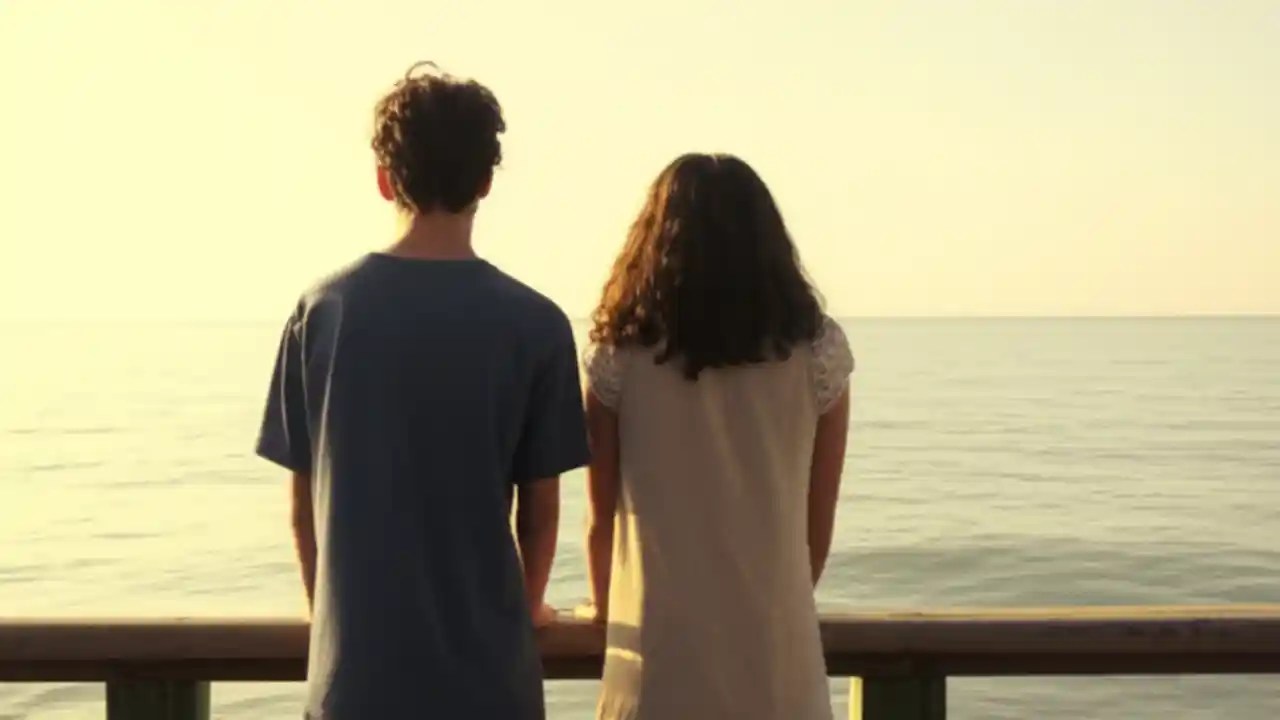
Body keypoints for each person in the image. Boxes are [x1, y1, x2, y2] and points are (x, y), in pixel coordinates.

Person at [254, 63, 589, 720]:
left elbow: (304, 505)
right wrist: (525, 609)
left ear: (385, 180)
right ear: (486, 182)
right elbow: (541, 511)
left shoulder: (322, 311)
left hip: (356, 684)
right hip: (492, 686)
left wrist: (327, 622)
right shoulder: (537, 324)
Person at [581, 153, 854, 720]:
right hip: (779, 663)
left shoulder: (617, 359)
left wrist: (605, 609)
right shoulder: (817, 356)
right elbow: (815, 533)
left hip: (655, 663)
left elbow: (599, 521)